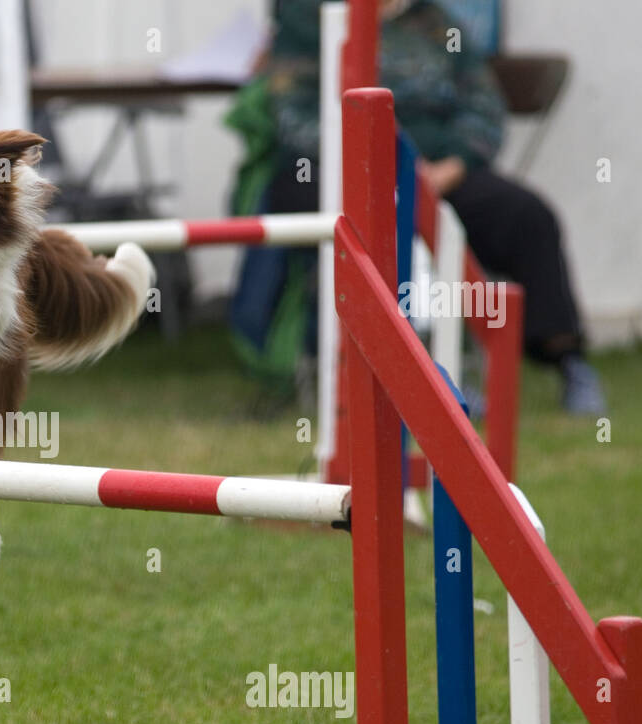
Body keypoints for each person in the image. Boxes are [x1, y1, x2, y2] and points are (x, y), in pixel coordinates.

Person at [229, 0, 606, 415]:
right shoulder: (305, 19)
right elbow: (293, 114)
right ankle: (411, 370)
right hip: (339, 170)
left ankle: (565, 357)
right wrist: (381, 168)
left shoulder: (436, 20)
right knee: (383, 226)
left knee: (526, 215)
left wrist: (455, 163)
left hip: (440, 171)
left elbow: (482, 103)